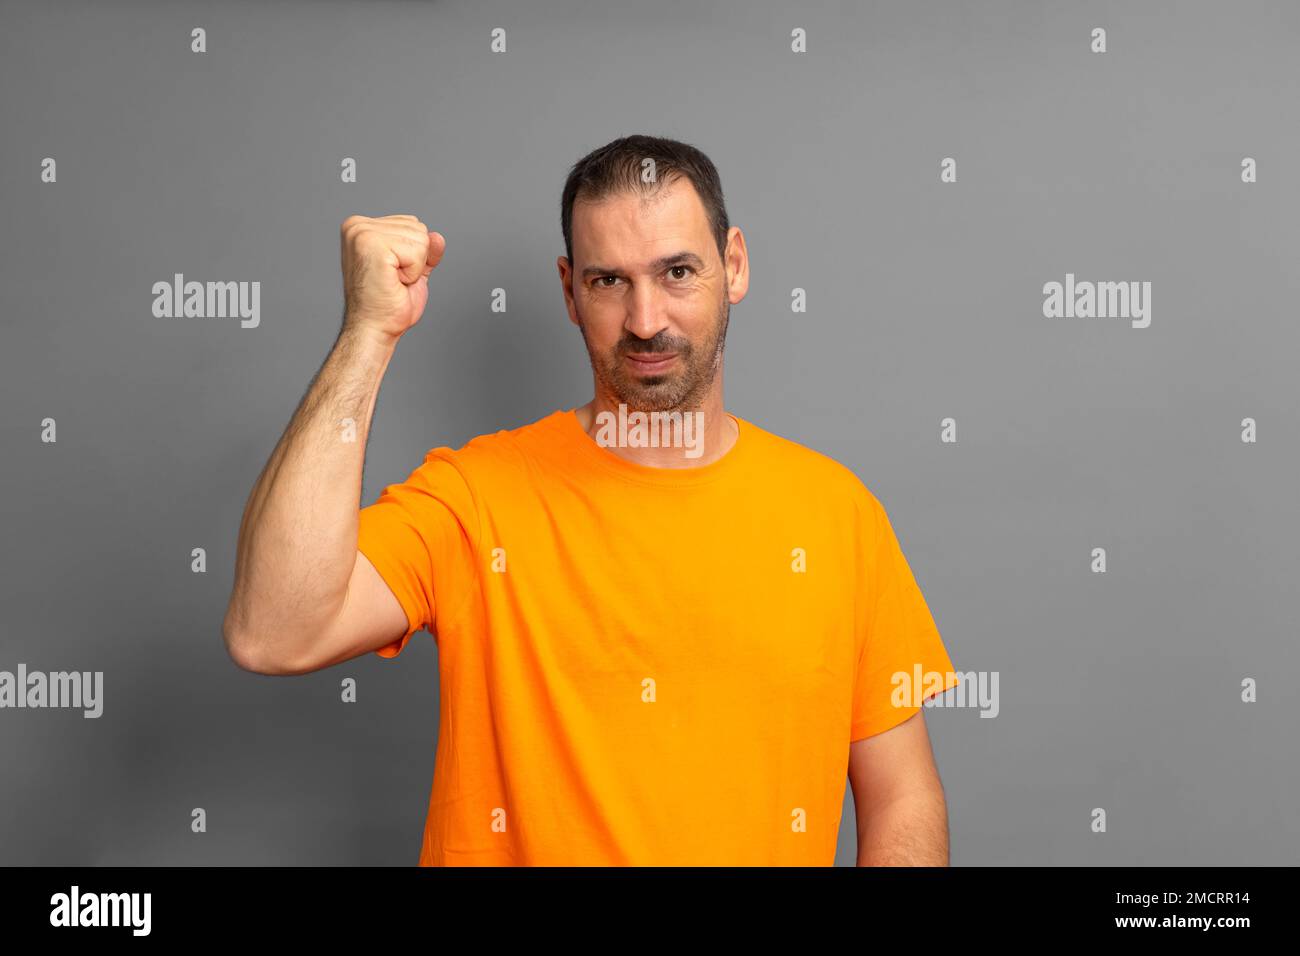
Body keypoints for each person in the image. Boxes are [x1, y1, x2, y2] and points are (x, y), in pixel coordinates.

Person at [222, 134, 959, 866]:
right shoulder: (475, 499)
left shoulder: (837, 514)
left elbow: (902, 797)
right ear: (569, 290)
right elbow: (273, 631)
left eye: (677, 272)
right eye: (609, 281)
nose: (645, 320)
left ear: (733, 265)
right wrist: (368, 334)